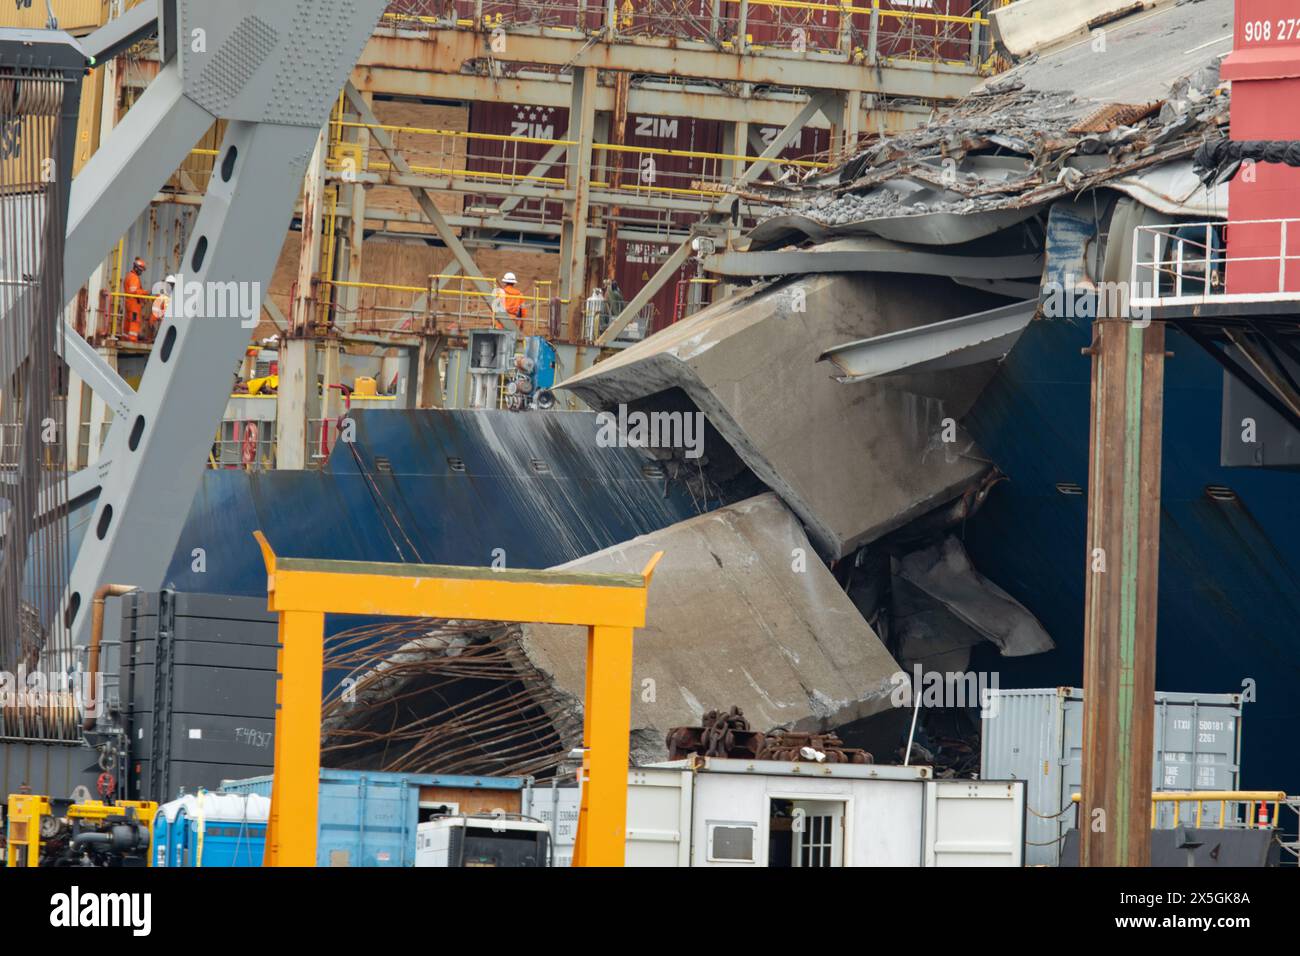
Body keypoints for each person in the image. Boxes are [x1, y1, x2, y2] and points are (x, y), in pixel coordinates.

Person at [122, 257, 146, 342]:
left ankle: (125, 337)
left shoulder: (129, 276)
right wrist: (145, 292)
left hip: (129, 303)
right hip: (134, 304)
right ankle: (132, 339)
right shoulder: (134, 278)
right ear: (136, 268)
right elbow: (134, 291)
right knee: (134, 321)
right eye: (141, 270)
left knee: (128, 321)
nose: (141, 272)